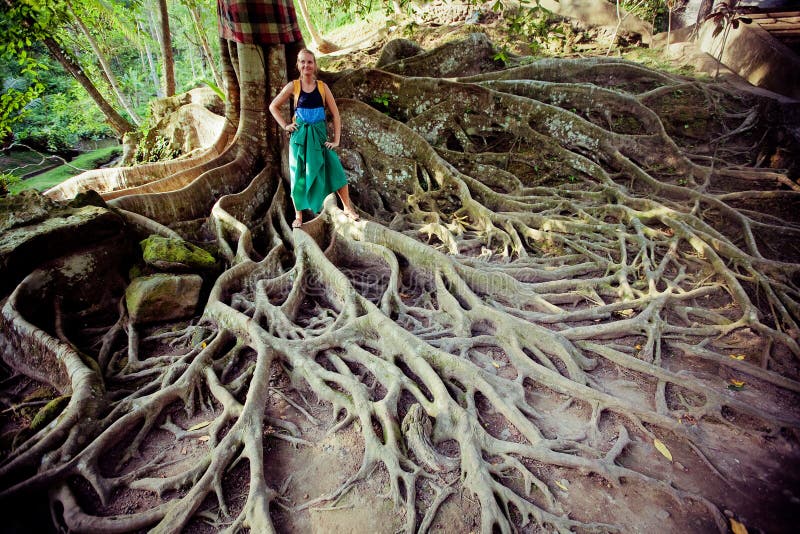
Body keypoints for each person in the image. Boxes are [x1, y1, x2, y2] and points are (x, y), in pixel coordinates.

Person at [269, 49, 359, 228]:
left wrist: (336, 141)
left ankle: (347, 208)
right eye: (302, 62)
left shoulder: (322, 87)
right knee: (298, 175)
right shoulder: (293, 86)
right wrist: (286, 125)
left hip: (319, 138)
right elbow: (273, 106)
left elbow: (335, 115)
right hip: (299, 139)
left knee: (336, 169)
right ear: (298, 64)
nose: (306, 65)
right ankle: (299, 216)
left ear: (315, 65)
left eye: (309, 62)